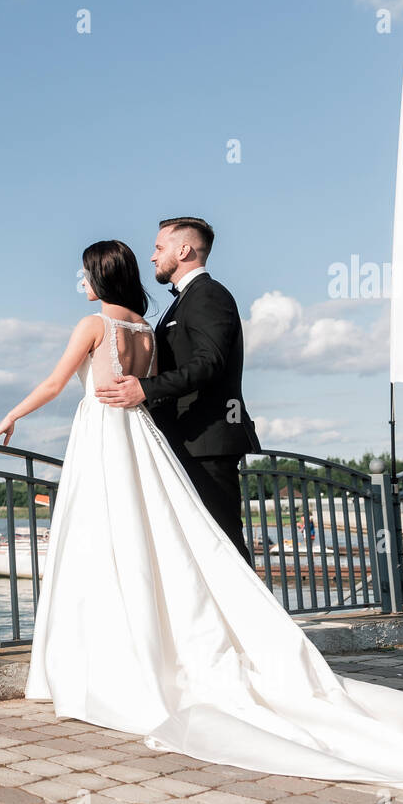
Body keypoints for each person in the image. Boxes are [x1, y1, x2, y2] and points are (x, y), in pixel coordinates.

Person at [0, 237, 403, 791]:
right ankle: (139, 658)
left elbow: (59, 384)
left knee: (101, 546)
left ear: (98, 276)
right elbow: (160, 383)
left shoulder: (96, 323)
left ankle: (101, 668)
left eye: (83, 274)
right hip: (140, 437)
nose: (78, 283)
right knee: (148, 543)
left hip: (103, 436)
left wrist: (10, 418)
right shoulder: (147, 328)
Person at [94, 218, 260, 563]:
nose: (152, 257)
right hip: (187, 440)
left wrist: (145, 388)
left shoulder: (209, 294)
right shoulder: (185, 300)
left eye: (159, 248)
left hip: (206, 443)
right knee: (200, 545)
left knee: (223, 542)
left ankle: (253, 618)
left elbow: (208, 362)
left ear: (183, 250)